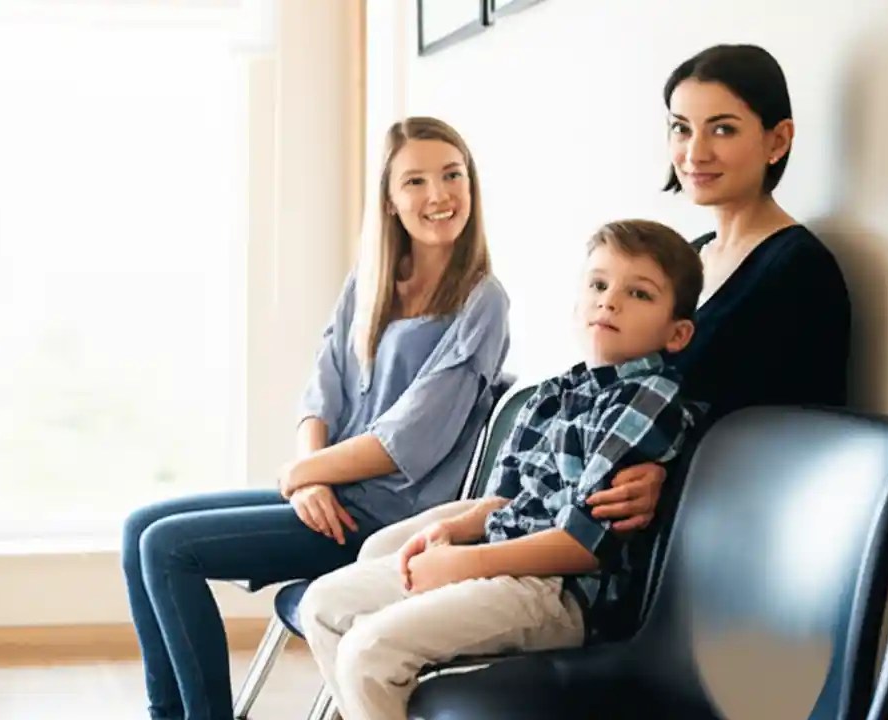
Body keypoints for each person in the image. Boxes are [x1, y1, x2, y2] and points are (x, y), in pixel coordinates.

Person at [121, 117, 512, 720]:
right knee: (140, 527)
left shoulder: (483, 301)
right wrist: (313, 475)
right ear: (390, 198)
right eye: (416, 181)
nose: (439, 195)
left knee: (169, 548)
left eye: (452, 175)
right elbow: (320, 396)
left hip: (384, 521)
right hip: (331, 498)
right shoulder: (370, 284)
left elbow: (411, 439)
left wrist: (302, 476)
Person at [298, 219, 704, 720]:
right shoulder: (552, 395)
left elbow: (584, 545)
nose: (609, 301)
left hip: (559, 593)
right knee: (321, 605)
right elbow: (505, 501)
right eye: (598, 285)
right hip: (503, 559)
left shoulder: (648, 399)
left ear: (678, 332)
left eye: (638, 293)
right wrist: (450, 530)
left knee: (368, 652)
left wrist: (460, 565)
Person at [579, 43, 850, 534]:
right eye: (681, 129)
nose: (694, 152)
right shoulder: (684, 257)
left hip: (717, 537)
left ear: (778, 140)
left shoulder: (800, 269)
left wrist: (671, 476)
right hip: (608, 521)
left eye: (722, 129)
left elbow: (797, 443)